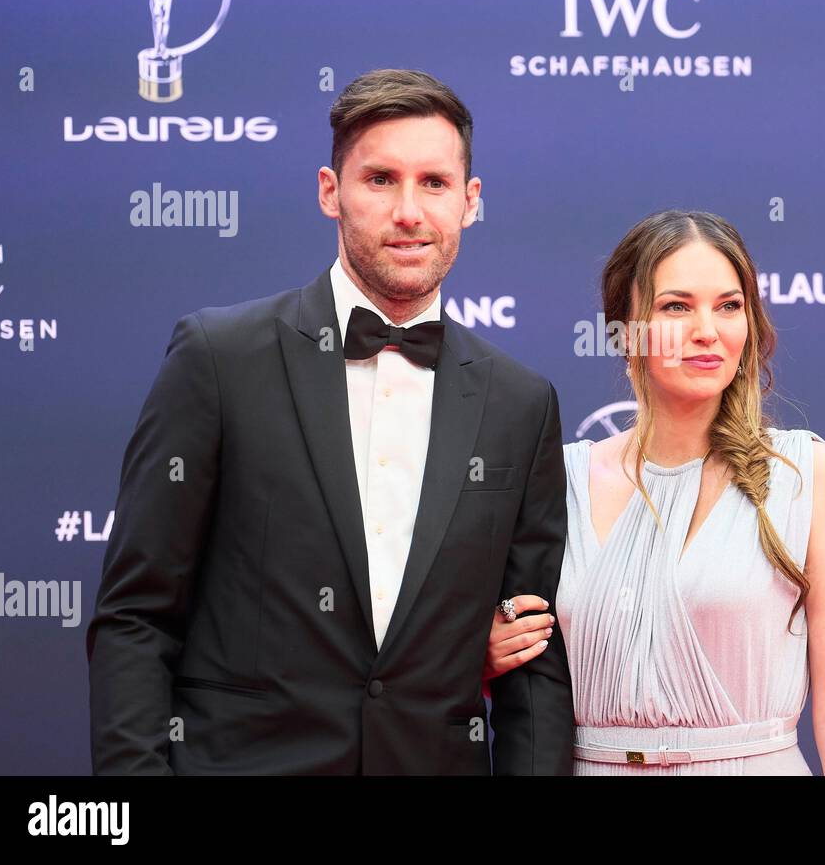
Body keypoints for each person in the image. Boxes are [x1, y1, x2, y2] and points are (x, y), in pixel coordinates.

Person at [86, 68, 574, 775]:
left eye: (434, 183)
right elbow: (136, 616)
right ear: (329, 191)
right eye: (380, 179)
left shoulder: (520, 403)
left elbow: (531, 659)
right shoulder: (221, 358)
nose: (409, 210)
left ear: (470, 202)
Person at [484, 210, 825, 774]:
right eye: (677, 306)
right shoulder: (559, 479)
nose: (708, 330)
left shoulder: (809, 476)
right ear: (624, 327)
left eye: (729, 306)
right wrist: (481, 653)